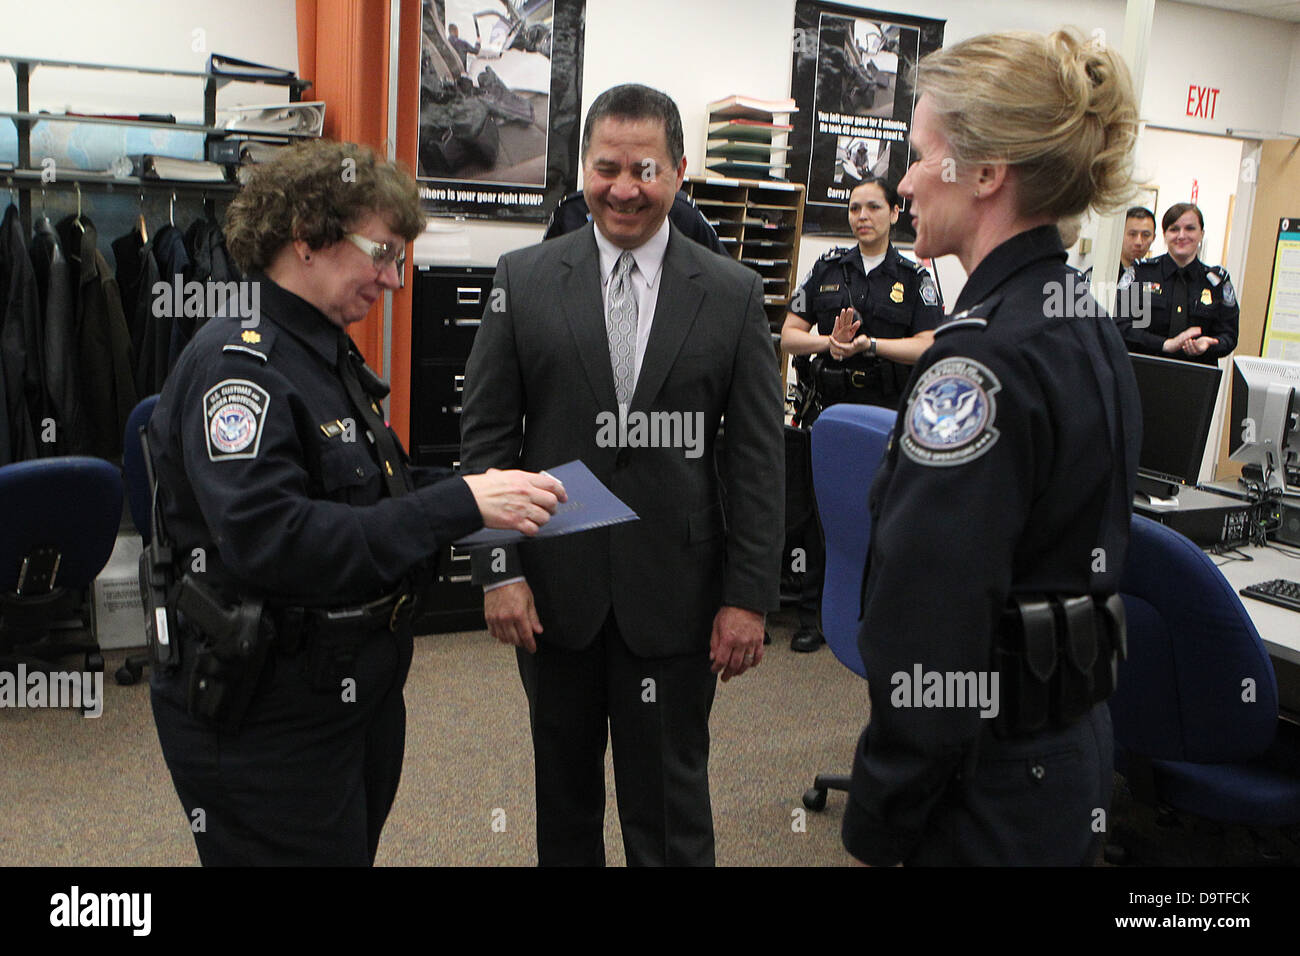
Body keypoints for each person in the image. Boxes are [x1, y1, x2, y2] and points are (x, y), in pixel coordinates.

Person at [147, 139, 564, 866]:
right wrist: (460, 504)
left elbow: (377, 496)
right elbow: (276, 541)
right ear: (307, 240)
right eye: (381, 253)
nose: (394, 280)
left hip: (346, 695)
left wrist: (492, 494)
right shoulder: (238, 368)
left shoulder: (323, 355)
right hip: (265, 715)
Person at [459, 83, 784, 866]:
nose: (624, 188)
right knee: (564, 807)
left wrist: (748, 598)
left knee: (670, 814)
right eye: (607, 168)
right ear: (583, 170)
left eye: (645, 168)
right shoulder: (524, 278)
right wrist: (497, 570)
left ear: (679, 171)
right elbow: (486, 443)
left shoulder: (734, 294)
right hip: (553, 595)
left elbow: (757, 464)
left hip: (677, 597)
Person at [840, 29, 1142, 866]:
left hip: (987, 779)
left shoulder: (981, 360)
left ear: (984, 172)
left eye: (917, 155)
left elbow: (932, 613)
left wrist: (882, 813)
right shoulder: (1081, 317)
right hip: (1066, 750)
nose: (901, 183)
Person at [780, 174, 940, 652]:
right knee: (818, 516)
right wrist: (827, 343)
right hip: (829, 412)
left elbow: (929, 346)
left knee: (884, 515)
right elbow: (789, 335)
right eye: (853, 208)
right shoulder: (828, 270)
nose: (861, 217)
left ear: (894, 214)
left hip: (886, 414)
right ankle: (814, 613)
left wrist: (871, 344)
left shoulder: (915, 278)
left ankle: (878, 616)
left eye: (872, 207)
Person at [1117, 202, 1239, 364]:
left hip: (1196, 377)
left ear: (1201, 234)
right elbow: (1119, 326)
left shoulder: (1216, 282)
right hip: (1143, 373)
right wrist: (1164, 344)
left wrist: (1209, 345)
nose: (1181, 236)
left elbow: (1229, 335)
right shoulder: (1140, 273)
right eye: (1174, 229)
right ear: (1165, 235)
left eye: (1190, 228)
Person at [1083, 206, 1155, 287]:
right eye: (1132, 234)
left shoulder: (1155, 275)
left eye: (1146, 235)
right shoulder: (1099, 274)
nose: (1138, 242)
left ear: (1153, 238)